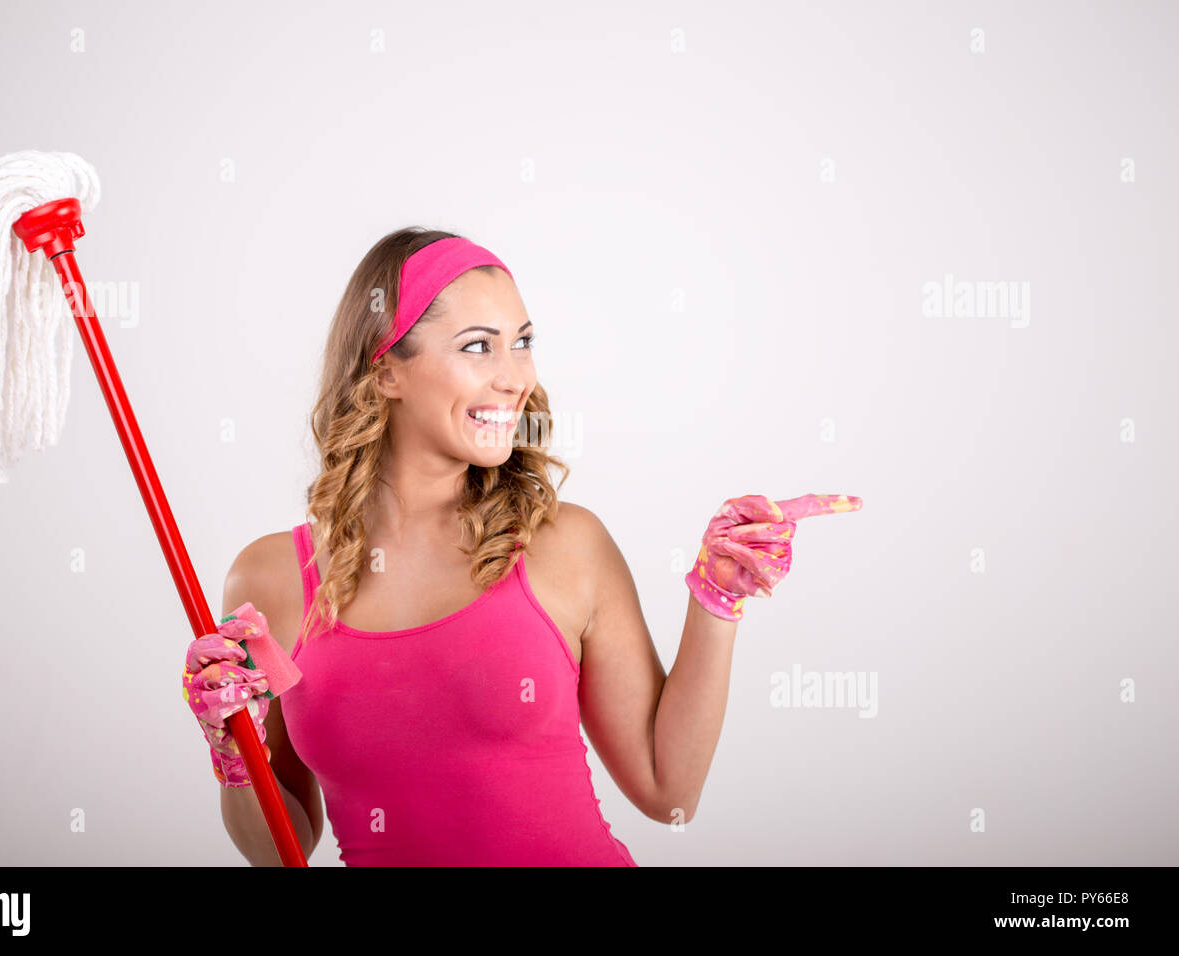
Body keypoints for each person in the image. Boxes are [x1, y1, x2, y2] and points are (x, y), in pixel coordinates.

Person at [183, 226, 862, 866]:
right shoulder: (268, 579)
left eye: (523, 341)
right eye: (478, 346)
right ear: (385, 368)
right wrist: (232, 756)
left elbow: (669, 792)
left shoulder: (566, 545)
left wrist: (717, 600)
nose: (516, 376)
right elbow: (286, 851)